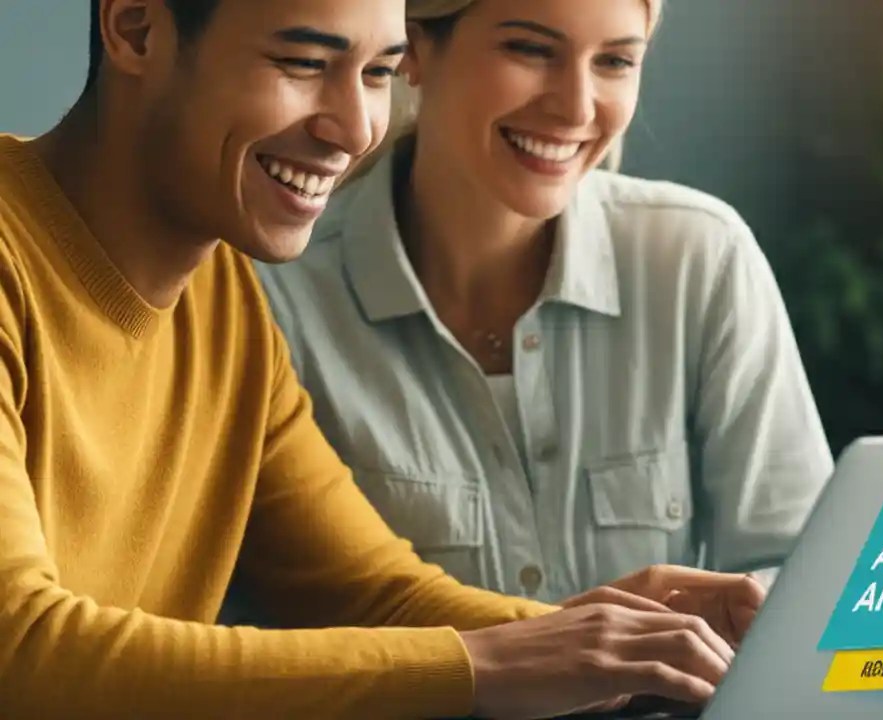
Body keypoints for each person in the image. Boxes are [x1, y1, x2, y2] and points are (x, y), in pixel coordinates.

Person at [0, 0, 767, 718]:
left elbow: (374, 594)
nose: (356, 128)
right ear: (136, 29)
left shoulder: (221, 293)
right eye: (303, 63)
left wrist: (609, 642)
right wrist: (499, 658)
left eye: (376, 73)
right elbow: (19, 649)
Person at [256, 0, 834, 605]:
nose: (576, 106)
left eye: (614, 61)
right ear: (416, 50)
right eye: (530, 50)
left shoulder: (700, 259)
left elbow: (800, 565)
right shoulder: (278, 296)